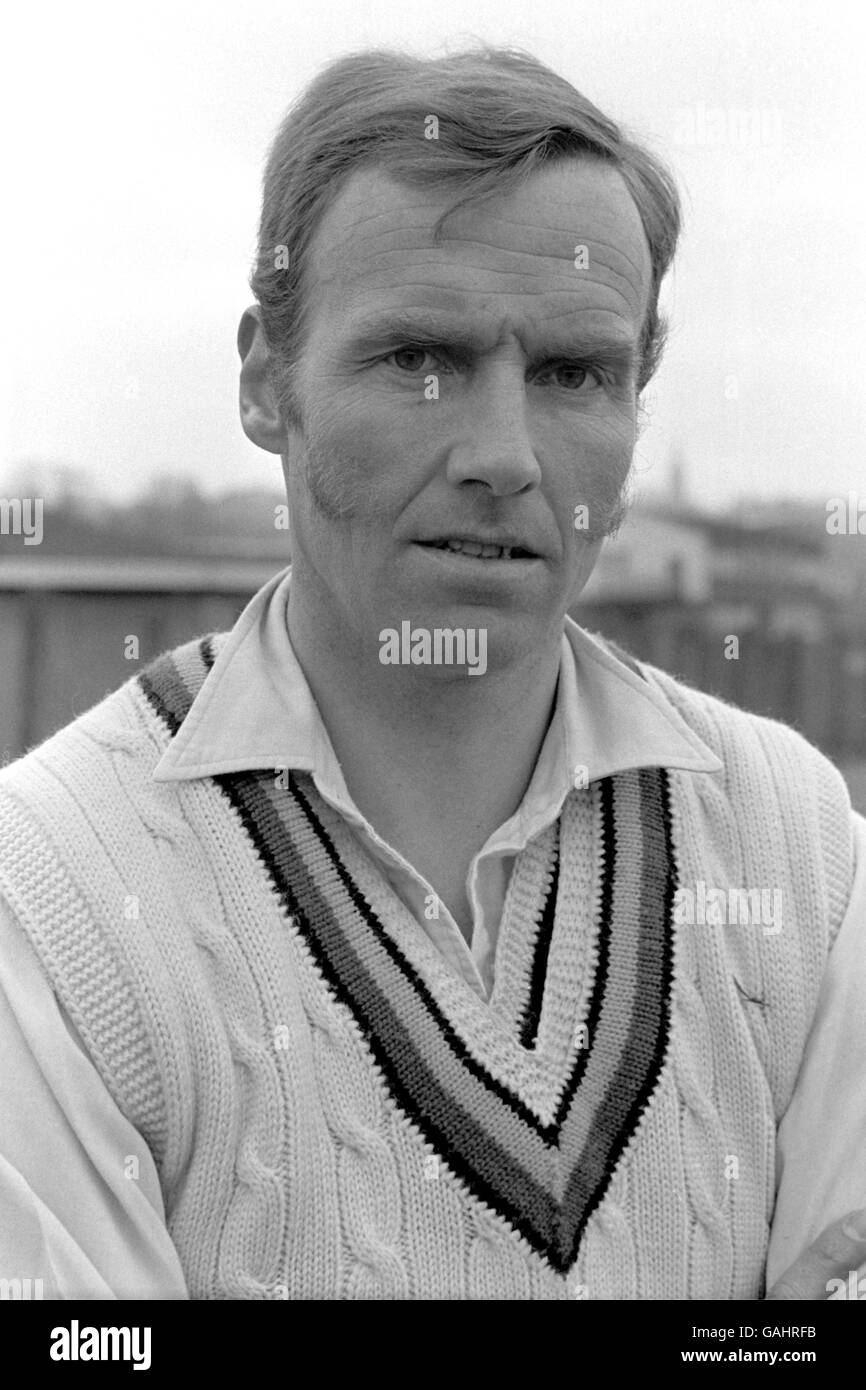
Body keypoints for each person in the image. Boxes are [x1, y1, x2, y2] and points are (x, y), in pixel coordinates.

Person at [1, 46, 865, 1302]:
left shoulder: (799, 849)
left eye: (574, 372)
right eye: (420, 359)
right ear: (264, 378)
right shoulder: (53, 894)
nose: (504, 456)